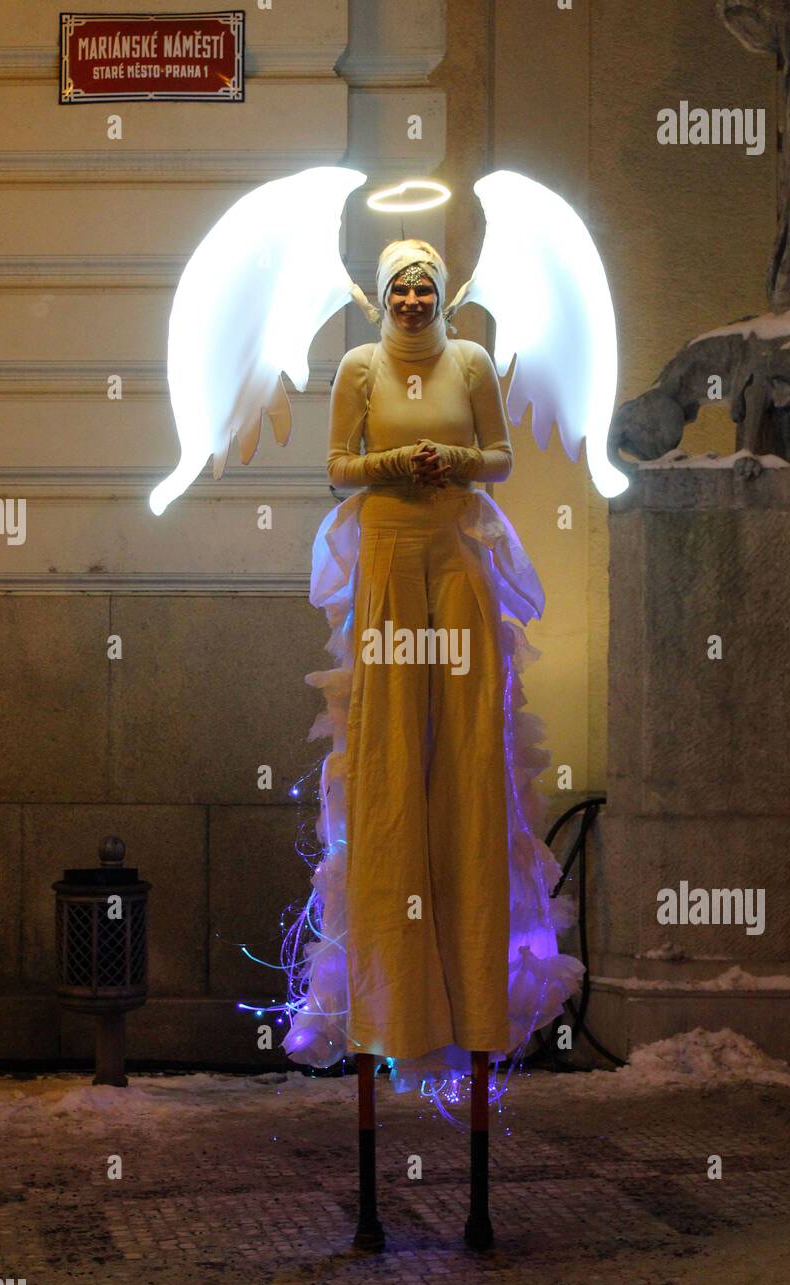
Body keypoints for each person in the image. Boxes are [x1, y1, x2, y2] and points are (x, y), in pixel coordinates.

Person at [282, 238, 583, 1093]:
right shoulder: (358, 366)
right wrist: (390, 466)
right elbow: (339, 469)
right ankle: (388, 1002)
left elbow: (501, 456)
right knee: (386, 752)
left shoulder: (474, 359)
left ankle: (475, 994)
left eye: (424, 288)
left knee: (463, 737)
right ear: (381, 300)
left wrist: (449, 462)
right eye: (399, 290)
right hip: (386, 552)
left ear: (441, 294)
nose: (412, 300)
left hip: (454, 549)